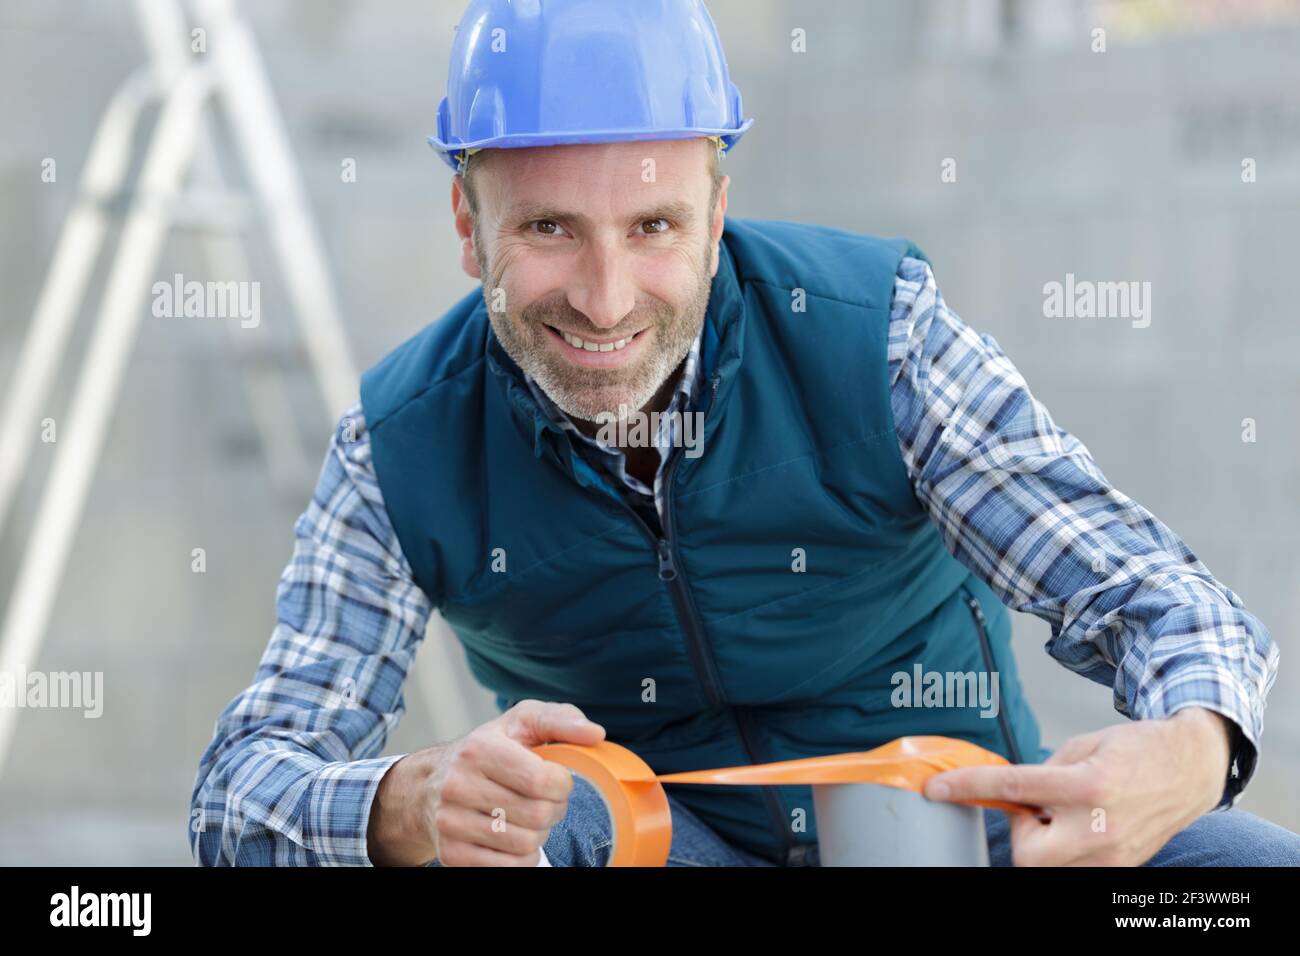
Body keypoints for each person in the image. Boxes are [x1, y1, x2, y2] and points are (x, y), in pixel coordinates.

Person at [189, 0, 1297, 867]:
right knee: (538, 822)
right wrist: (409, 801)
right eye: (549, 227)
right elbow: (237, 794)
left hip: (953, 833)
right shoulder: (398, 446)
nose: (606, 299)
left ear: (716, 217)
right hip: (652, 845)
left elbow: (1160, 599)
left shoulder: (878, 339)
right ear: (469, 228)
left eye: (653, 225)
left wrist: (1190, 749)